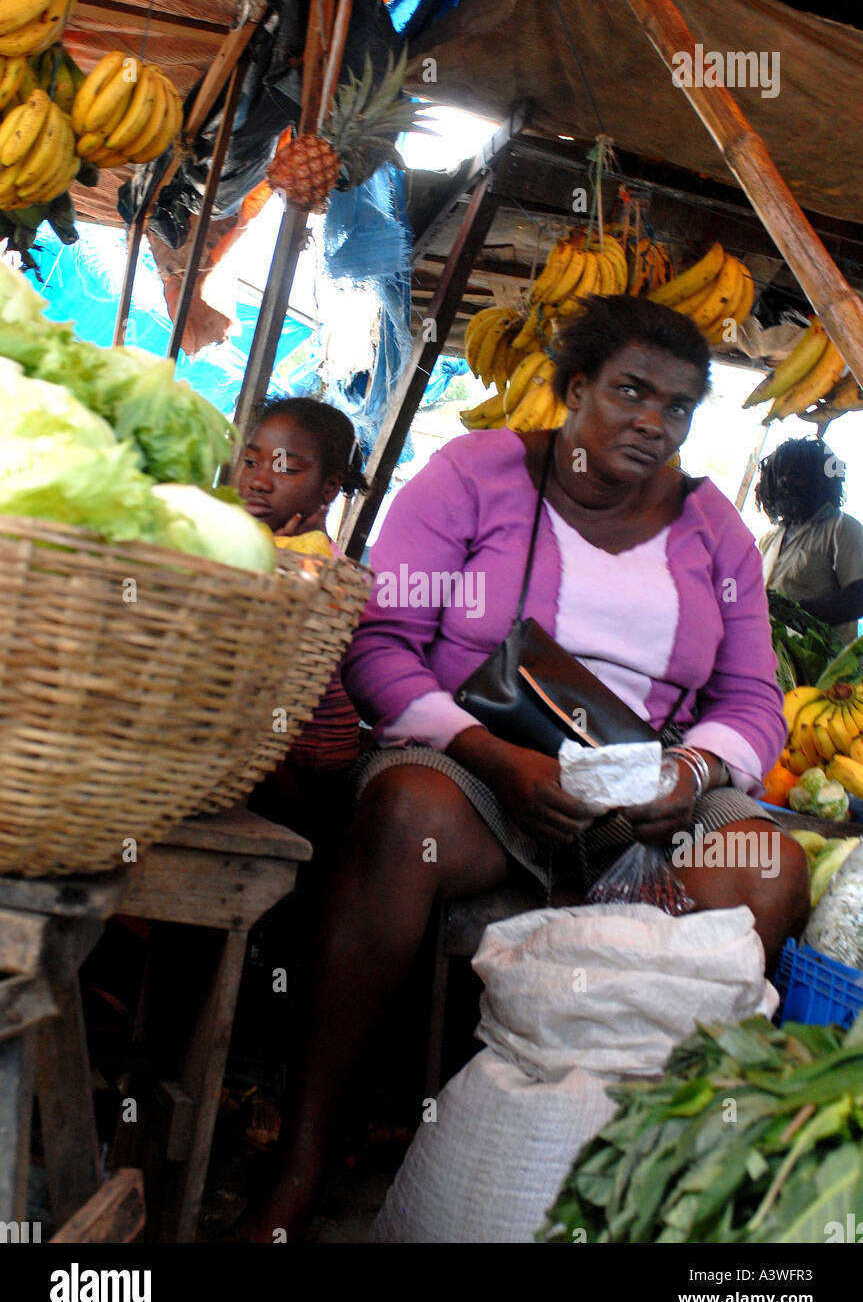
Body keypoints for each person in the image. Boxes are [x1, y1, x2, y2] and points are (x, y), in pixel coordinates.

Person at [241, 295, 808, 1242]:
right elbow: (382, 643)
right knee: (405, 819)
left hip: (650, 793)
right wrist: (492, 761)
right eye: (628, 392)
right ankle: (304, 1156)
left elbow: (752, 697)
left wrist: (692, 774)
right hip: (479, 766)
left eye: (676, 407)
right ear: (572, 388)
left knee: (769, 868)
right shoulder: (475, 476)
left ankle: (628, 1160)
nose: (651, 421)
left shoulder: (715, 534)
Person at [235, 396, 368, 842]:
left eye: (286, 470)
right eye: (252, 462)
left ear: (329, 488)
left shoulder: (328, 573)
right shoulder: (257, 544)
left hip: (303, 766)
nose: (259, 482)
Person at [756, 436, 863, 645]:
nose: (785, 480)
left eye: (796, 473)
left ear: (819, 480)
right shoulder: (769, 539)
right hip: (771, 662)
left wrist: (793, 613)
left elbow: (858, 597)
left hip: (823, 669)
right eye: (780, 474)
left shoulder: (843, 528)